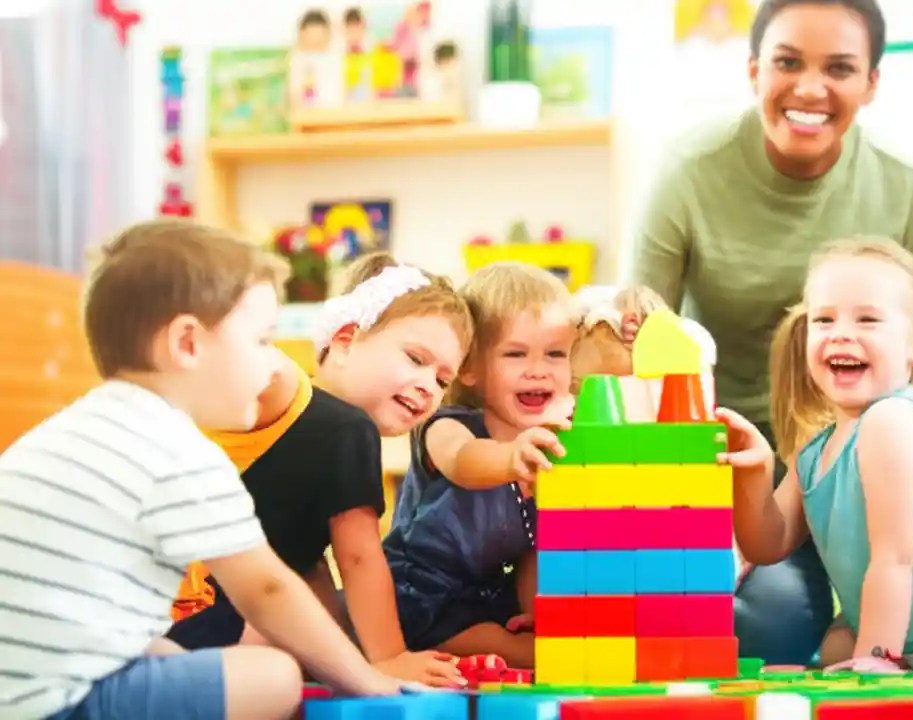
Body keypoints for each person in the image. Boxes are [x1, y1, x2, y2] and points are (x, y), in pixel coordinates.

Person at [630, 0, 913, 662]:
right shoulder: (688, 170)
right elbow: (637, 347)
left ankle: (883, 619)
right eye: (787, 62)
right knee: (764, 625)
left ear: (871, 83)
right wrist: (699, 495)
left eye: (839, 68)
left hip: (895, 448)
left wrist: (907, 499)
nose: (810, 89)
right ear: (753, 71)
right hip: (758, 459)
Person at [0, 220, 401, 720]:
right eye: (262, 342)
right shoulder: (179, 451)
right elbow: (267, 590)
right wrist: (372, 683)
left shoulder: (76, 428)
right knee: (274, 673)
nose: (274, 367)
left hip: (21, 689)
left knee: (166, 653)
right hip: (63, 701)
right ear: (188, 344)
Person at [718, 238, 913, 672]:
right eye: (824, 319)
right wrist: (755, 473)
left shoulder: (893, 423)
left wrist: (874, 659)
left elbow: (894, 557)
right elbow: (768, 544)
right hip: (900, 627)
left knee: (846, 656)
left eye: (867, 319)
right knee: (831, 650)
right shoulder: (817, 450)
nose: (841, 333)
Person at [165, 252, 472, 688]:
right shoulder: (321, 412)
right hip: (190, 607)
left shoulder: (330, 438)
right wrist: (389, 658)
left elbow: (313, 579)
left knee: (312, 642)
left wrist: (349, 654)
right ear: (344, 341)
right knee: (291, 660)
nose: (428, 386)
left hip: (187, 613)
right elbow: (360, 557)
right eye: (415, 358)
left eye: (443, 380)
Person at [383, 262, 579, 668]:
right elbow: (462, 462)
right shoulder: (448, 426)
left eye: (555, 354)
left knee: (560, 644)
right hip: (419, 594)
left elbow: (534, 546)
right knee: (537, 657)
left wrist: (541, 614)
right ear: (469, 367)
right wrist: (511, 458)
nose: (539, 369)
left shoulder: (552, 443)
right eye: (516, 353)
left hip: (487, 598)